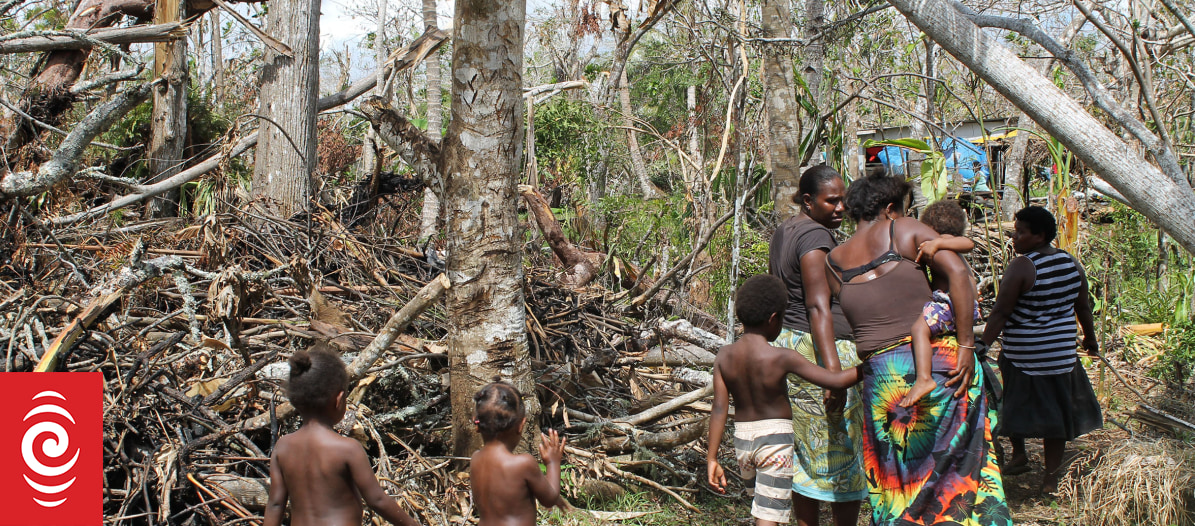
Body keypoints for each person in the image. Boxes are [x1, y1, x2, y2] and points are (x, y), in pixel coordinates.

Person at [826, 175, 1011, 525]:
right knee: (959, 472)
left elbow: (834, 317)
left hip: (882, 381)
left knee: (899, 476)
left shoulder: (833, 261)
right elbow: (958, 275)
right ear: (891, 208)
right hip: (943, 366)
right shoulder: (904, 229)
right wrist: (968, 346)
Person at [708, 275, 862, 526]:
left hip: (743, 445)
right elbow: (835, 381)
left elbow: (719, 408)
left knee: (766, 510)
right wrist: (869, 364)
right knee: (767, 519)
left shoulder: (724, 356)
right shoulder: (780, 357)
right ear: (773, 319)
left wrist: (712, 458)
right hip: (774, 446)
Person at [980, 206, 1102, 494]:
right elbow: (1083, 306)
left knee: (1013, 404)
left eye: (1021, 232)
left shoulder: (1023, 266)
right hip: (1061, 357)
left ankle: (1021, 454)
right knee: (1057, 417)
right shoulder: (1070, 262)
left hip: (1024, 355)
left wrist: (983, 344)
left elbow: (1000, 312)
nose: (1015, 238)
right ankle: (1049, 476)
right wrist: (1090, 339)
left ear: (1040, 236)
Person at [768, 166, 866, 526]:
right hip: (820, 349)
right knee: (840, 450)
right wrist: (832, 374)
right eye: (832, 201)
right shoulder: (815, 237)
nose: (841, 207)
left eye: (844, 199)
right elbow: (817, 305)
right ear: (808, 201)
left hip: (792, 345)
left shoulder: (787, 229)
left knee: (805, 452)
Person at [265, 343, 420, 526]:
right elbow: (377, 500)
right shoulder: (347, 449)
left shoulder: (283, 447)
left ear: (295, 400)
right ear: (339, 400)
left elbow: (275, 504)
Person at [900, 199, 980, 407]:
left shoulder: (938, 243)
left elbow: (969, 243)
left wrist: (936, 243)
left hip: (949, 302)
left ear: (929, 228)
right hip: (966, 307)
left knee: (918, 329)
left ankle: (924, 378)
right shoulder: (949, 245)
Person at [469, 379, 569, 526]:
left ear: (477, 424)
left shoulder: (475, 459)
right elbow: (549, 499)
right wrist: (553, 462)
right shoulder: (522, 463)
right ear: (521, 425)